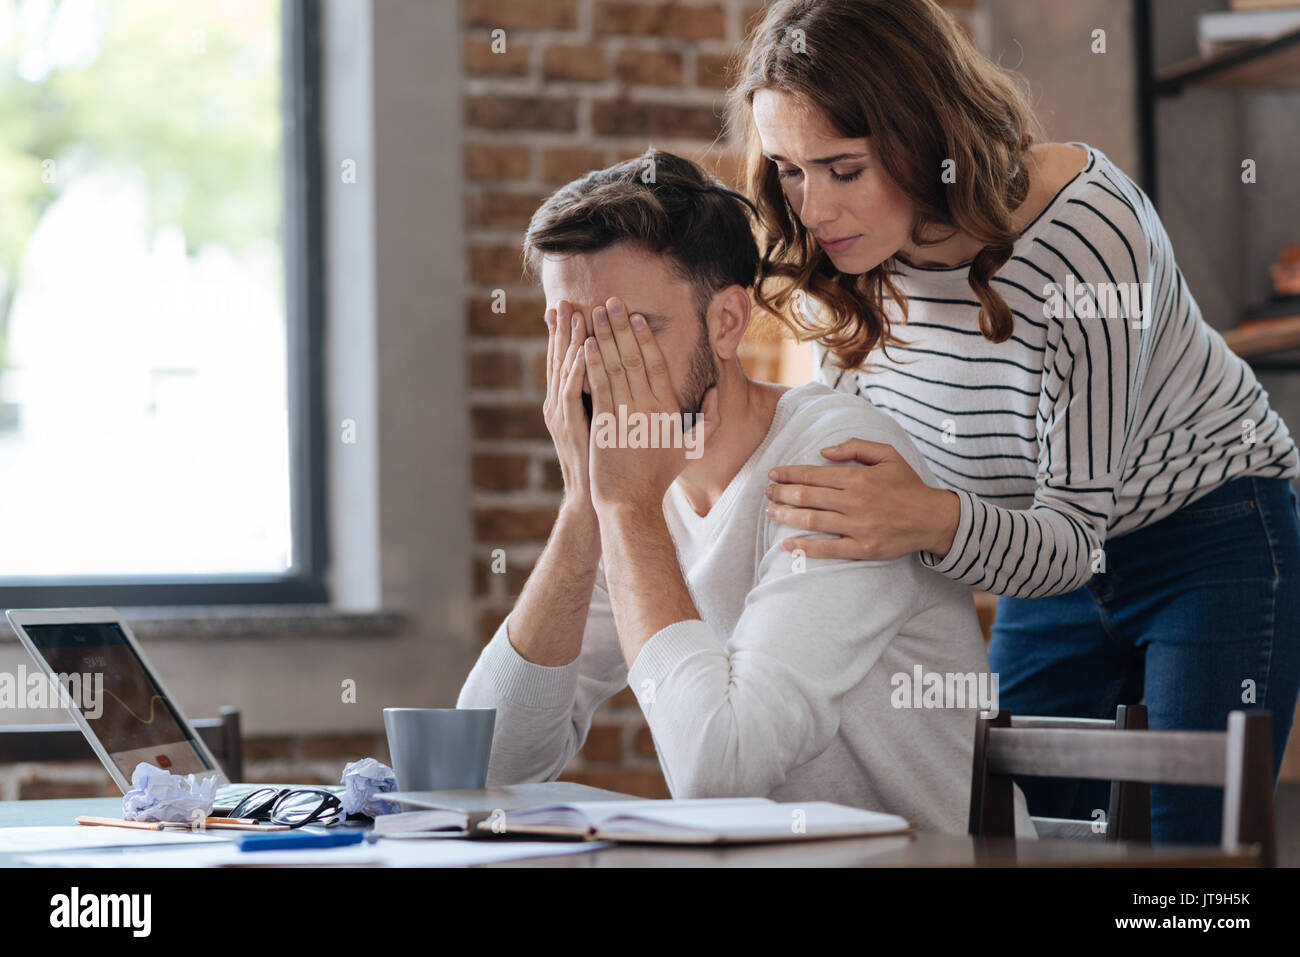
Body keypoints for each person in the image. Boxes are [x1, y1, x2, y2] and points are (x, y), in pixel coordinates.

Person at [736, 0, 1300, 843]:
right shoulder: (847, 254)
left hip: (1210, 534)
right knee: (1018, 841)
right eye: (788, 168)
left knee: (1189, 866)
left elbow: (1075, 535)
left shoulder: (1086, 236)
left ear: (924, 134)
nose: (811, 209)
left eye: (843, 169)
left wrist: (922, 517)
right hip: (1036, 558)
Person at [456, 149, 1034, 836]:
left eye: (629, 331)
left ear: (727, 322)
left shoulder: (831, 461)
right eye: (573, 333)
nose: (594, 373)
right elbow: (481, 763)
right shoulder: (637, 486)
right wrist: (585, 503)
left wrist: (626, 509)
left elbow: (718, 770)